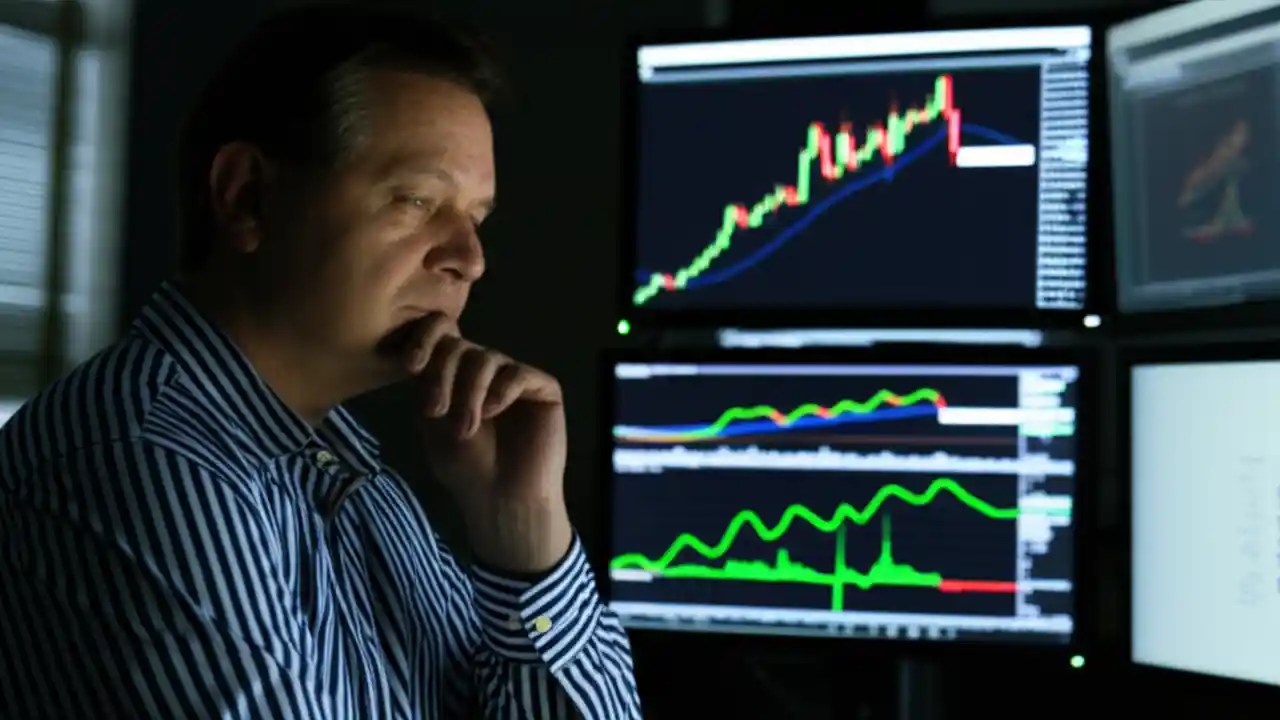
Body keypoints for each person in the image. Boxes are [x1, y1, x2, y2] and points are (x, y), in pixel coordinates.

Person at [0, 4, 641, 718]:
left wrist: (525, 530)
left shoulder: (338, 464)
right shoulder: (146, 461)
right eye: (418, 200)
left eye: (476, 218)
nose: (470, 260)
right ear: (248, 197)